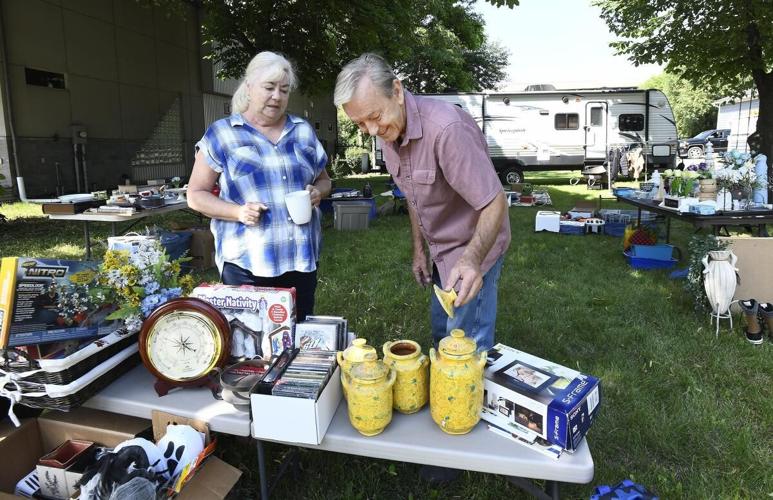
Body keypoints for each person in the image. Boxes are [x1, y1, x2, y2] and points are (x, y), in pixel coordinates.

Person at [334, 53, 510, 352]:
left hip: (476, 244)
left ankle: (470, 395)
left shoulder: (447, 130)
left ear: (397, 92)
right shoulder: (390, 136)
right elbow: (413, 197)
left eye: (375, 117)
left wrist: (471, 260)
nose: (373, 132)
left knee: (465, 345)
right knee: (441, 330)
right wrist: (420, 249)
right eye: (360, 124)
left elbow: (495, 202)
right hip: (442, 250)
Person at [188, 51, 331, 325]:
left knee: (297, 335)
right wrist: (238, 212)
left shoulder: (302, 130)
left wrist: (318, 192)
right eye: (269, 87)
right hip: (246, 262)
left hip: (300, 259)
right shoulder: (223, 133)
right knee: (249, 343)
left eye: (284, 90)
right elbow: (196, 195)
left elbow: (324, 179)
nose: (277, 96)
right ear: (249, 86)